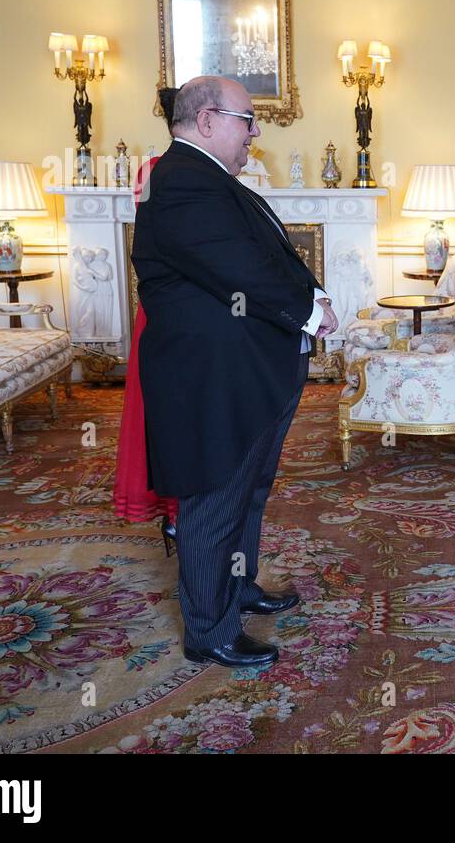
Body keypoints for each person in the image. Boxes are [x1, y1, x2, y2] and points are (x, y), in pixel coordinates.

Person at [130, 76, 338, 669]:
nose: (255, 131)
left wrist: (314, 293)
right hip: (213, 377)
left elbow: (269, 254)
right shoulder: (182, 182)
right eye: (247, 119)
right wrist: (307, 309)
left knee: (248, 490)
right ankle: (208, 630)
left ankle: (237, 587)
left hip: (247, 368)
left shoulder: (211, 179)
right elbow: (238, 270)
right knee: (216, 497)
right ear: (205, 121)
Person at [113, 87, 180, 542]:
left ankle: (173, 509)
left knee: (160, 399)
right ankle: (176, 509)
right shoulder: (163, 173)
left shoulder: (153, 170)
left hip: (156, 305)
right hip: (172, 305)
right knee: (173, 401)